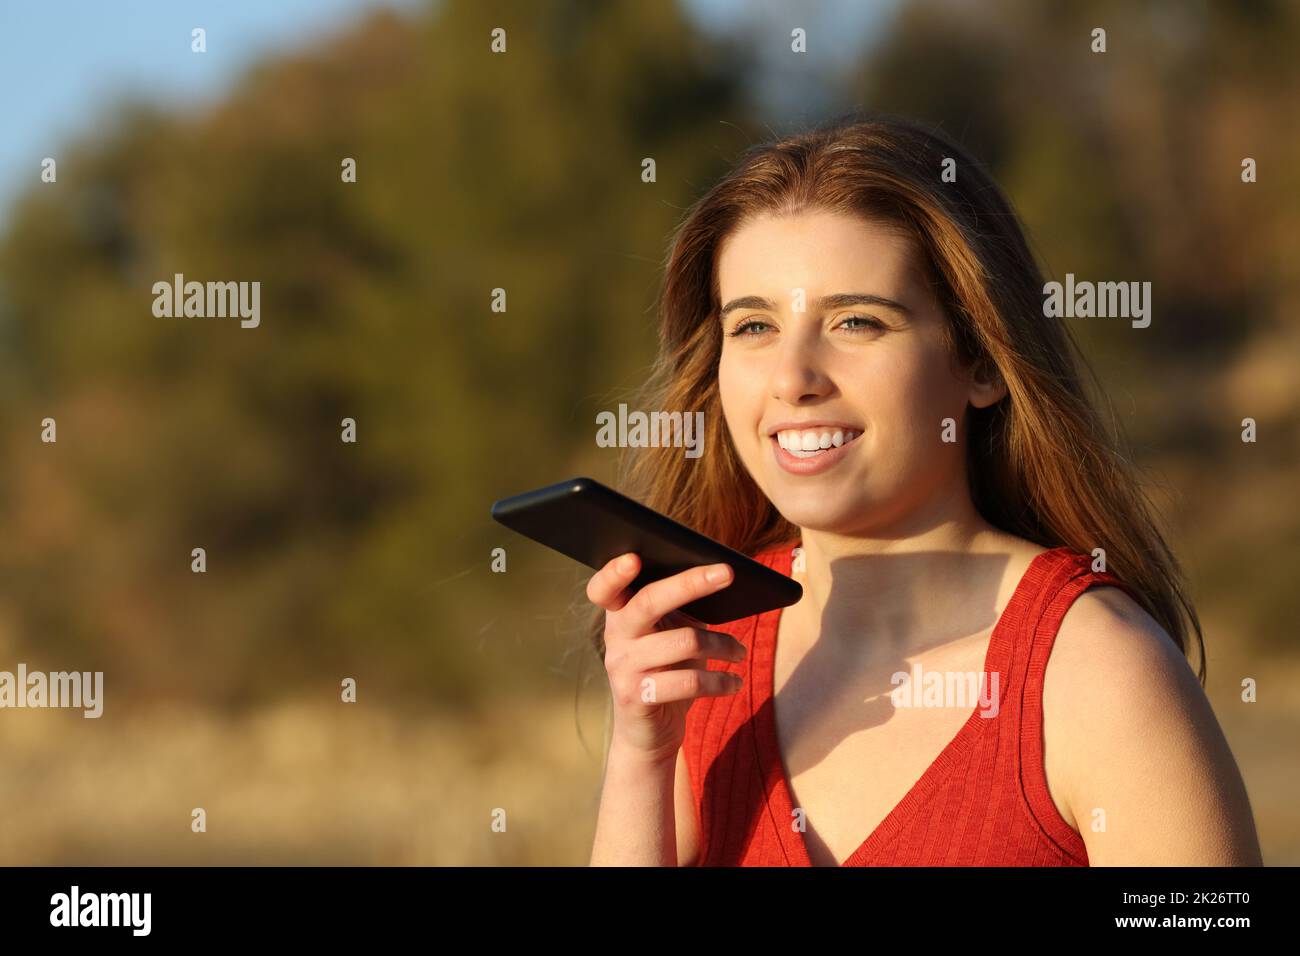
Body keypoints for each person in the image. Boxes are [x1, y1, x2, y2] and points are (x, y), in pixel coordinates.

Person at [586, 114, 1262, 866]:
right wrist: (641, 757)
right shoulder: (708, 657)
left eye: (855, 321)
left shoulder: (1097, 676)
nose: (792, 379)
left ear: (980, 362)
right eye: (753, 327)